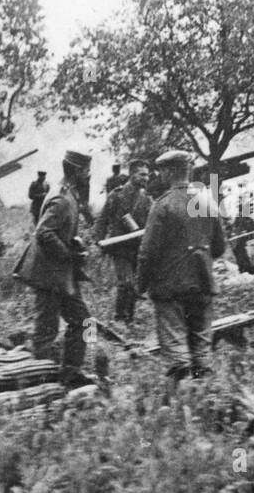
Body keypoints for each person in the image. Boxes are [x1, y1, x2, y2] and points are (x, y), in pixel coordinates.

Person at [136, 149, 227, 382]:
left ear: (168, 172)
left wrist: (141, 285)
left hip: (171, 289)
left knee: (177, 354)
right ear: (188, 170)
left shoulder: (162, 205)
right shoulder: (207, 201)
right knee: (202, 351)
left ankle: (183, 403)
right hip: (203, 284)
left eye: (162, 171)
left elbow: (147, 253)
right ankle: (207, 400)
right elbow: (219, 247)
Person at [13, 150, 93, 387]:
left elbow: (56, 232)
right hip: (48, 276)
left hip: (61, 276)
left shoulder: (68, 194)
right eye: (87, 171)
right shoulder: (61, 198)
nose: (89, 175)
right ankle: (41, 386)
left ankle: (70, 373)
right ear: (78, 171)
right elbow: (43, 232)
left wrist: (73, 244)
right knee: (46, 332)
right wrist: (67, 253)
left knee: (85, 322)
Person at [94, 158, 153, 324]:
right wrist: (99, 240)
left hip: (137, 248)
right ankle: (120, 319)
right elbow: (102, 219)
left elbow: (152, 223)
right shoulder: (116, 195)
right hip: (119, 248)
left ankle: (129, 320)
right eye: (142, 175)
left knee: (134, 284)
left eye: (147, 175)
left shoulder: (147, 199)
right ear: (132, 174)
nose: (146, 178)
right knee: (125, 283)